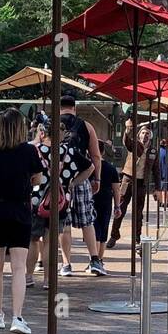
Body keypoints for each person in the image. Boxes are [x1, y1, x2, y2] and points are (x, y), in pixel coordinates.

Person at [0, 108, 42, 334]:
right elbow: (38, 177)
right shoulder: (29, 151)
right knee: (18, 267)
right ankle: (18, 316)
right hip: (20, 209)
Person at [56, 92, 105, 275]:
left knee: (64, 222)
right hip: (82, 175)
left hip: (59, 180)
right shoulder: (86, 126)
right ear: (74, 107)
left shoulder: (51, 124)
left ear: (59, 107)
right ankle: (94, 260)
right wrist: (97, 178)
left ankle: (66, 264)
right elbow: (95, 156)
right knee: (87, 220)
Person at [26, 116, 73, 286]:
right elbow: (89, 167)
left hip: (37, 200)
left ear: (43, 132)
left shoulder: (34, 150)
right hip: (60, 202)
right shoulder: (68, 152)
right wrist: (70, 184)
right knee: (50, 241)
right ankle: (48, 280)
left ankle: (28, 277)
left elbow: (31, 176)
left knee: (33, 240)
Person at [110, 122, 154, 249]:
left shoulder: (152, 150)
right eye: (143, 133)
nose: (145, 135)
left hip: (141, 183)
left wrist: (158, 188)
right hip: (128, 179)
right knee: (120, 208)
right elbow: (126, 141)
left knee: (138, 213)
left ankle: (137, 238)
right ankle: (114, 235)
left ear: (150, 136)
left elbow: (156, 170)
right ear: (139, 135)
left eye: (147, 134)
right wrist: (128, 128)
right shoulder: (134, 145)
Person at [92, 140, 119, 265]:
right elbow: (116, 189)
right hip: (106, 202)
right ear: (103, 151)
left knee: (94, 231)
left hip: (91, 201)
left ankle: (94, 260)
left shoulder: (89, 167)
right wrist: (117, 206)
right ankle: (100, 260)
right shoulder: (111, 168)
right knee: (103, 231)